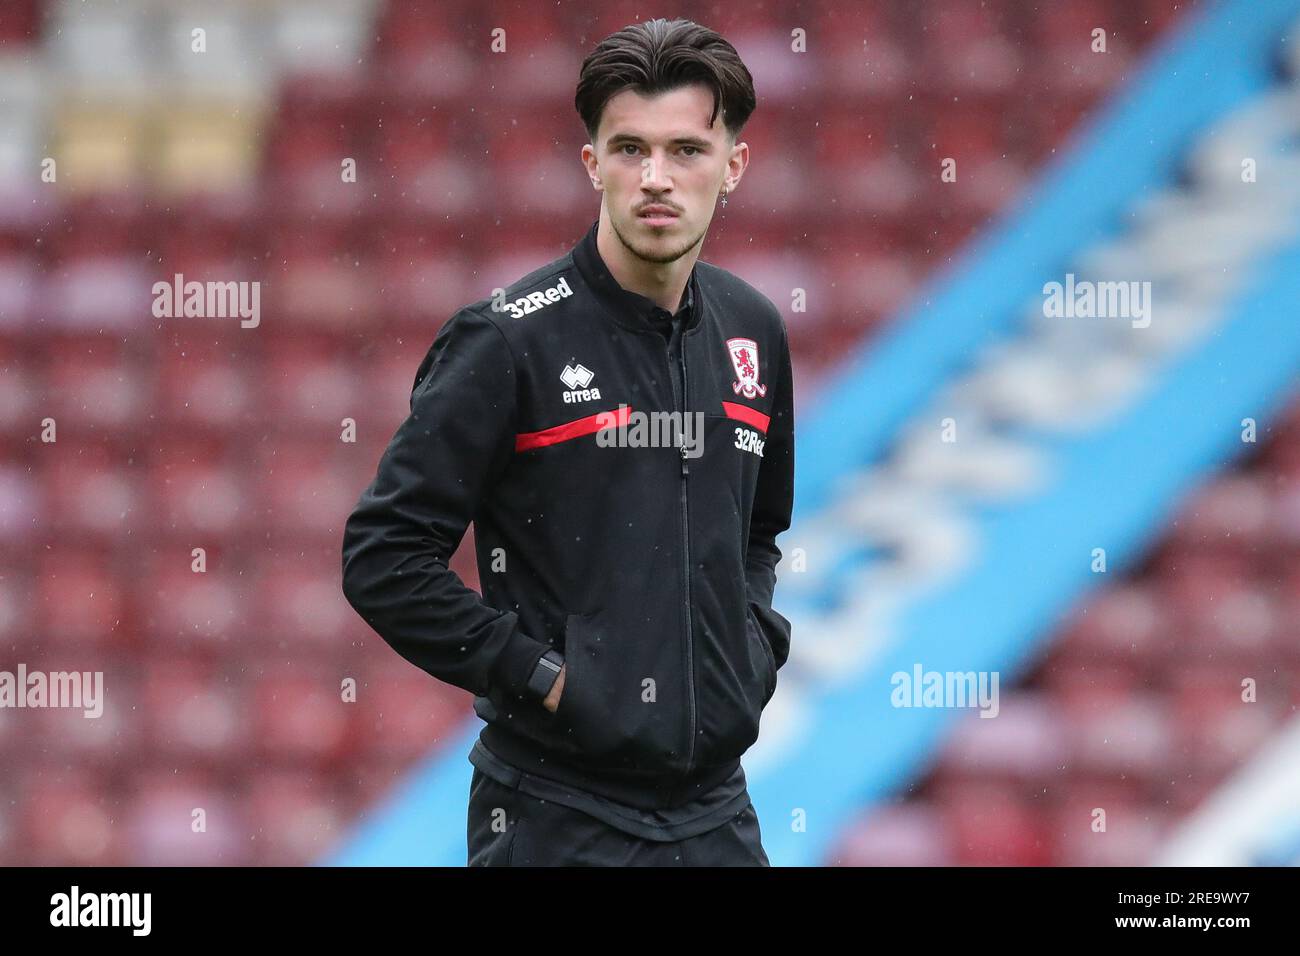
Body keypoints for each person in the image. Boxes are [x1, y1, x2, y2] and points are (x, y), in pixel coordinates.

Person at [341, 16, 794, 866]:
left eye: (686, 151)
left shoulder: (753, 329)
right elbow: (383, 556)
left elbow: (759, 530)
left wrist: (752, 648)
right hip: (556, 816)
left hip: (716, 814)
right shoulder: (506, 342)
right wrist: (543, 678)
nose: (656, 178)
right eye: (629, 148)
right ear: (593, 164)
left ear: (733, 165)